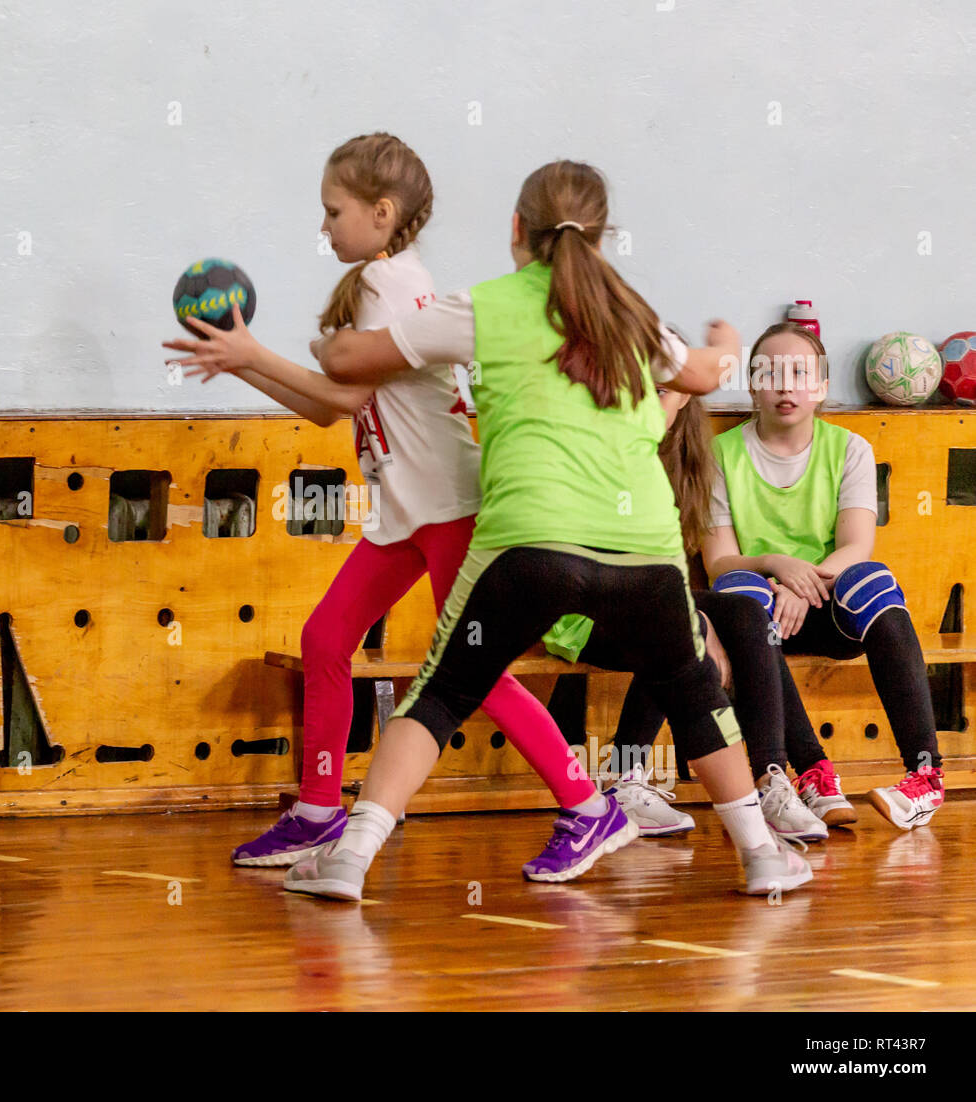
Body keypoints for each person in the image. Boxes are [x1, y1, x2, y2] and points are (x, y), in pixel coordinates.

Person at [287, 159, 812, 900]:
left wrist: (323, 346)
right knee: (694, 689)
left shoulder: (486, 306)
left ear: (514, 230)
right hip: (644, 552)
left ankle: (350, 858)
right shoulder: (633, 315)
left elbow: (347, 358)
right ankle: (761, 854)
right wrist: (725, 342)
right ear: (602, 237)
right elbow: (701, 373)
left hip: (528, 545)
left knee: (440, 693)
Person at [164, 134, 615, 876]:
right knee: (326, 640)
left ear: (380, 212)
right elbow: (326, 412)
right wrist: (240, 363)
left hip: (448, 507)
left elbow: (344, 390)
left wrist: (250, 354)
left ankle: (588, 806)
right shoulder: (380, 279)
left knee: (472, 669)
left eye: (332, 211)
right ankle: (316, 810)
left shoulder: (391, 284)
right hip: (406, 512)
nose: (323, 226)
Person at [571, 386, 855, 842]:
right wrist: (699, 625)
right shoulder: (600, 447)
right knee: (675, 627)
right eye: (639, 386)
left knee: (745, 612)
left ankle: (769, 779)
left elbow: (662, 573)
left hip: (642, 599)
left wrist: (701, 618)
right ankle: (621, 778)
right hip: (579, 607)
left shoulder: (682, 458)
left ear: (685, 396)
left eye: (663, 390)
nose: (648, 399)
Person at [702, 322, 945, 830]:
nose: (786, 386)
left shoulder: (849, 448)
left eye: (800, 373)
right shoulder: (720, 455)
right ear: (752, 385)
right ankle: (788, 776)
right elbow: (720, 562)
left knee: (872, 578)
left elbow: (856, 545)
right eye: (771, 373)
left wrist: (798, 583)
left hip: (829, 607)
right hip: (758, 620)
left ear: (821, 386)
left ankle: (925, 777)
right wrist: (774, 567)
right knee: (738, 592)